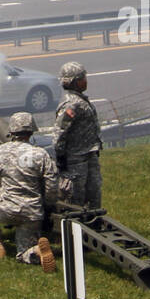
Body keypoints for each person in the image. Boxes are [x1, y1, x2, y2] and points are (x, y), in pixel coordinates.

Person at [0, 112, 58, 269]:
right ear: (31, 131)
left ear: (12, 131)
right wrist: (47, 204)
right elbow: (52, 184)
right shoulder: (41, 154)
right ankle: (36, 251)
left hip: (8, 210)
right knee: (22, 253)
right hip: (32, 214)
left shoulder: (0, 151)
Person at [53, 61, 102, 209]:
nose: (85, 81)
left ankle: (95, 221)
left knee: (94, 194)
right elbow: (59, 133)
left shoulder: (80, 100)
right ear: (73, 82)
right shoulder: (71, 105)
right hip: (76, 160)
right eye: (82, 78)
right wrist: (61, 158)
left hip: (89, 154)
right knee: (76, 198)